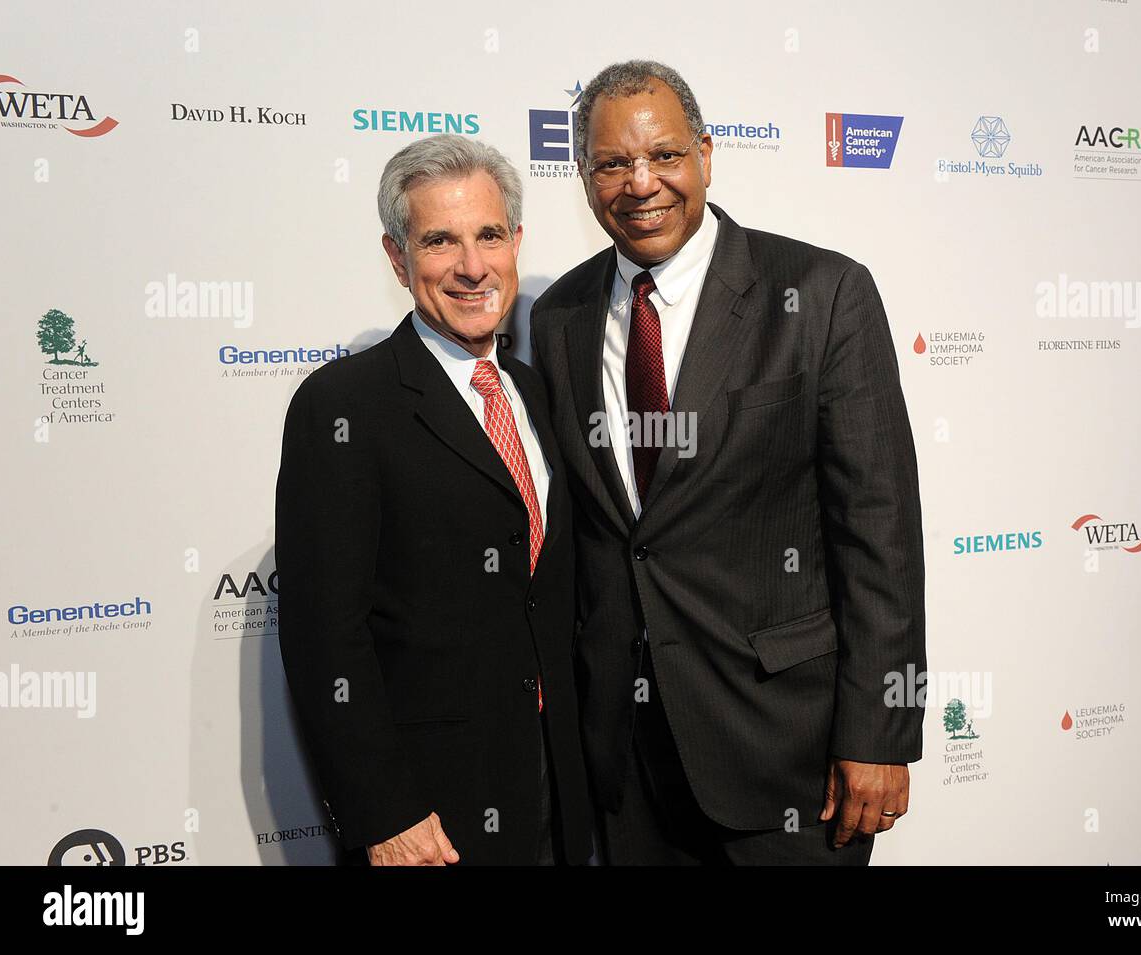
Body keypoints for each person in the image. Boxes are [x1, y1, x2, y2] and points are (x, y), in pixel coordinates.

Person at [529, 60, 927, 865]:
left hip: (790, 755)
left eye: (665, 155)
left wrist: (880, 733)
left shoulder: (820, 294)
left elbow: (879, 531)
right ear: (583, 175)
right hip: (628, 762)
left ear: (707, 154)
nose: (641, 184)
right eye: (611, 163)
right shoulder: (558, 317)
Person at [276, 134, 592, 866]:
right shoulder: (344, 404)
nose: (471, 266)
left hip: (555, 793)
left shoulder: (537, 392)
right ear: (398, 257)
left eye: (488, 235)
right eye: (439, 240)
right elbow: (326, 636)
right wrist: (382, 811)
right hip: (429, 816)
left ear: (516, 240)